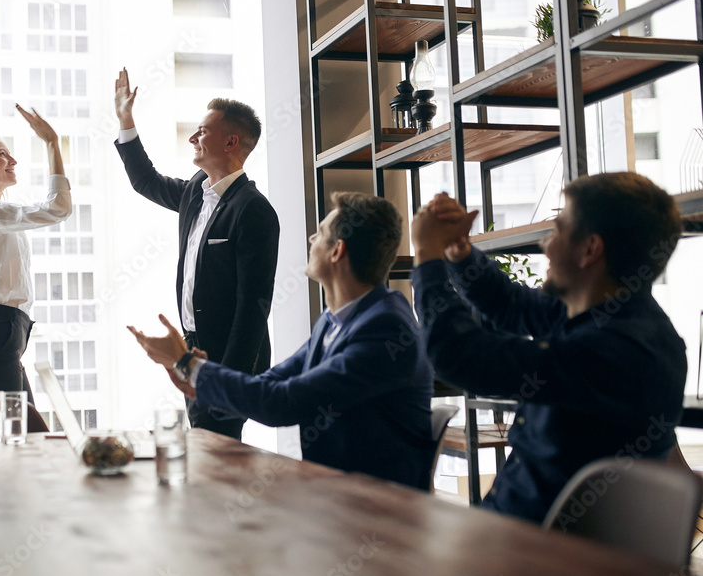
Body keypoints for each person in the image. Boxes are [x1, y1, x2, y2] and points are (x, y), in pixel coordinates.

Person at [411, 172, 687, 524]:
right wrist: (458, 252)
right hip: (513, 533)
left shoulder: (618, 350)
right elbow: (511, 305)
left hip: (539, 547)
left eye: (557, 230)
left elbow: (460, 356)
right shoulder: (605, 314)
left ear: (590, 250)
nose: (546, 244)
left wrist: (427, 256)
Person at [128, 193, 436, 488]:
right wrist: (199, 377)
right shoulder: (335, 319)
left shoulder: (385, 329)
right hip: (333, 494)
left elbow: (284, 403)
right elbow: (271, 381)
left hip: (379, 507)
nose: (311, 239)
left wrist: (189, 364)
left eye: (320, 233)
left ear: (337, 251)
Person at [114, 68, 279, 440]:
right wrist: (125, 120)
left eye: (202, 131)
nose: (192, 138)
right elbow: (145, 181)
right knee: (207, 449)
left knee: (217, 451)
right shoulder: (194, 191)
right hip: (191, 349)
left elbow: (253, 308)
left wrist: (227, 383)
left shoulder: (254, 210)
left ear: (230, 142)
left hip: (228, 359)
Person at [0, 105, 73, 435]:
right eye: (3, 154)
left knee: (28, 438)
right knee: (12, 443)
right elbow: (58, 208)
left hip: (3, 336)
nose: (14, 160)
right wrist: (51, 143)